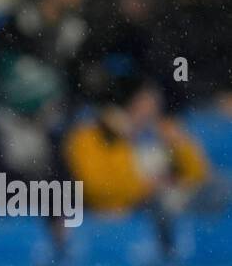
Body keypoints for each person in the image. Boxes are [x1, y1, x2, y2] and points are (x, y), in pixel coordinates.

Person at [64, 74, 209, 214]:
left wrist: (180, 143)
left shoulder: (161, 132)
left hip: (159, 208)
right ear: (129, 102)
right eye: (147, 100)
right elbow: (95, 186)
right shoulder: (90, 136)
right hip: (115, 214)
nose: (154, 106)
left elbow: (197, 175)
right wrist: (144, 187)